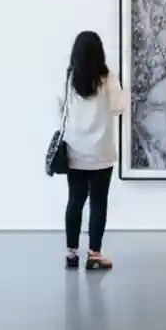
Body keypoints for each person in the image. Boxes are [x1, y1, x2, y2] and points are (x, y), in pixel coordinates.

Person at [59, 31, 127, 271]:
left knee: (75, 200)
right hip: (101, 152)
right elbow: (119, 108)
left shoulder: (70, 79)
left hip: (75, 151)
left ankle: (71, 253)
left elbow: (59, 108)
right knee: (98, 203)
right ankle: (94, 255)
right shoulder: (109, 79)